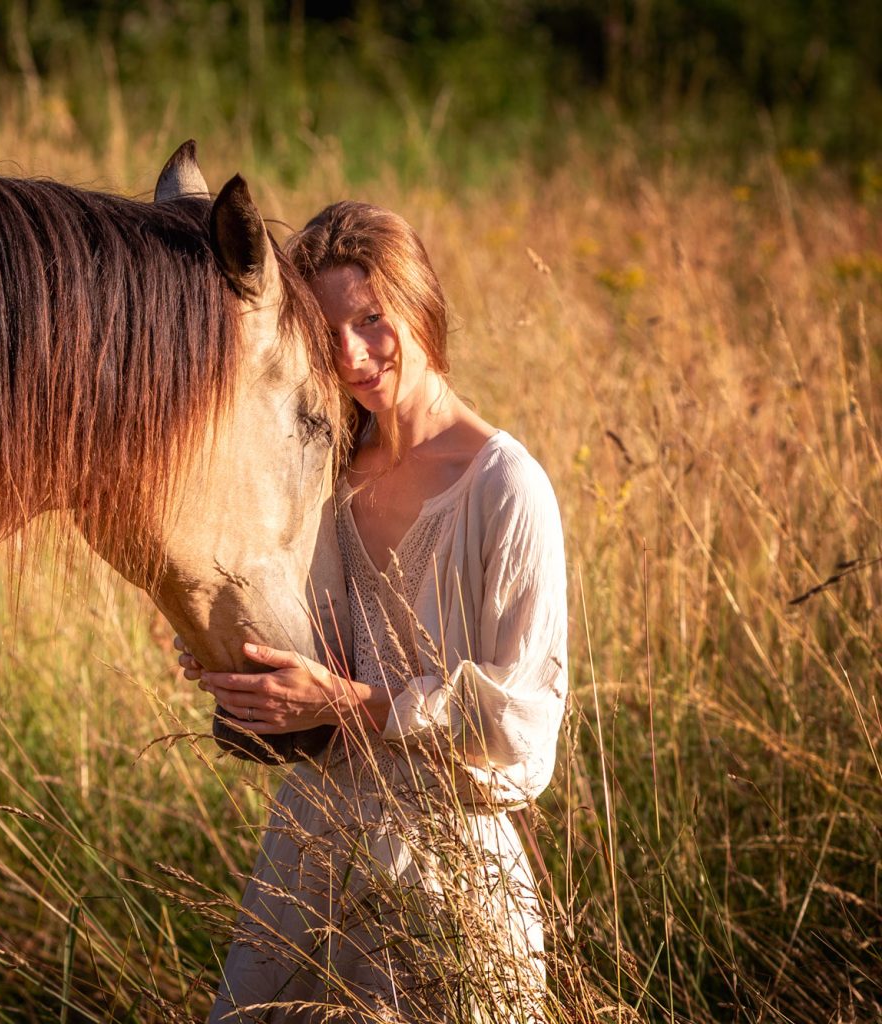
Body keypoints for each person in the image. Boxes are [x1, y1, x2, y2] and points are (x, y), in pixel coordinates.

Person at [176, 202, 568, 1022]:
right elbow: (304, 639)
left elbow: (524, 729)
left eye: (372, 320)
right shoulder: (323, 475)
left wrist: (348, 705)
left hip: (453, 878)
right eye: (329, 335)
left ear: (419, 304)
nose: (353, 356)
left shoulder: (505, 486)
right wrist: (235, 660)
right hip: (308, 857)